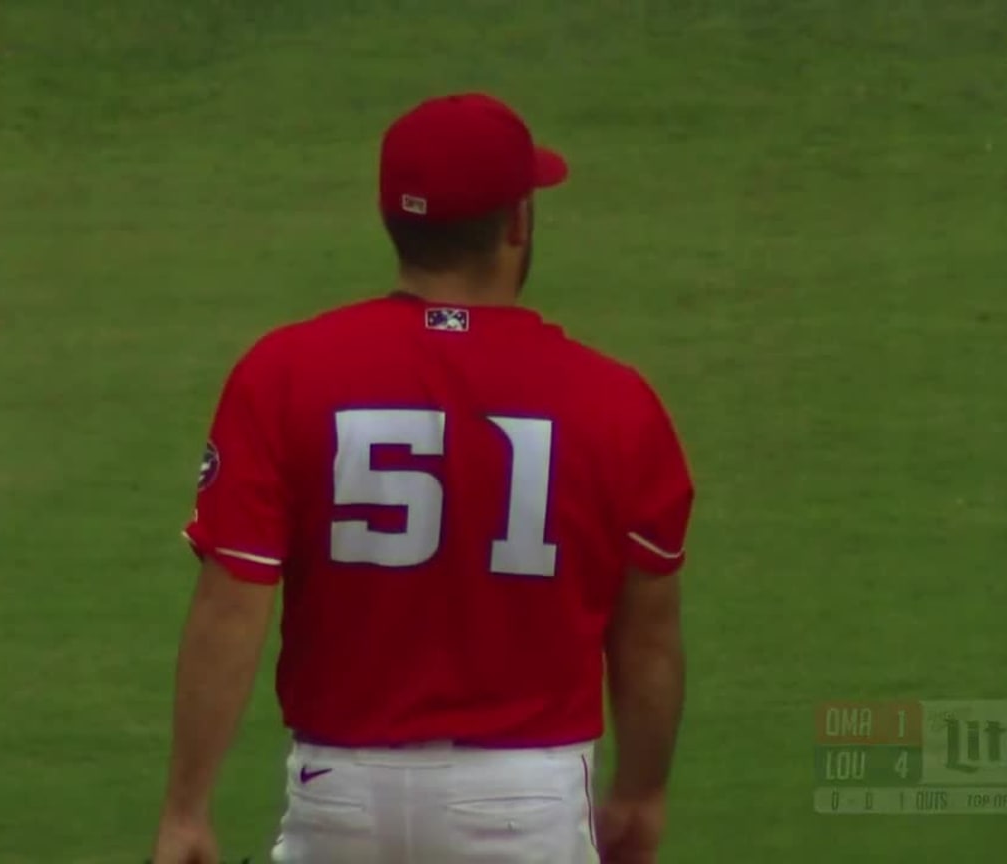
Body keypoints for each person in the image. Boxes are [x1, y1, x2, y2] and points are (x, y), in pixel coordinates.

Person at [152, 92, 694, 864]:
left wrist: (187, 808)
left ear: (392, 221)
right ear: (517, 223)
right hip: (526, 802)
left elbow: (231, 603)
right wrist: (640, 792)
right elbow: (648, 636)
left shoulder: (284, 375)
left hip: (339, 795)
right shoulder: (615, 401)